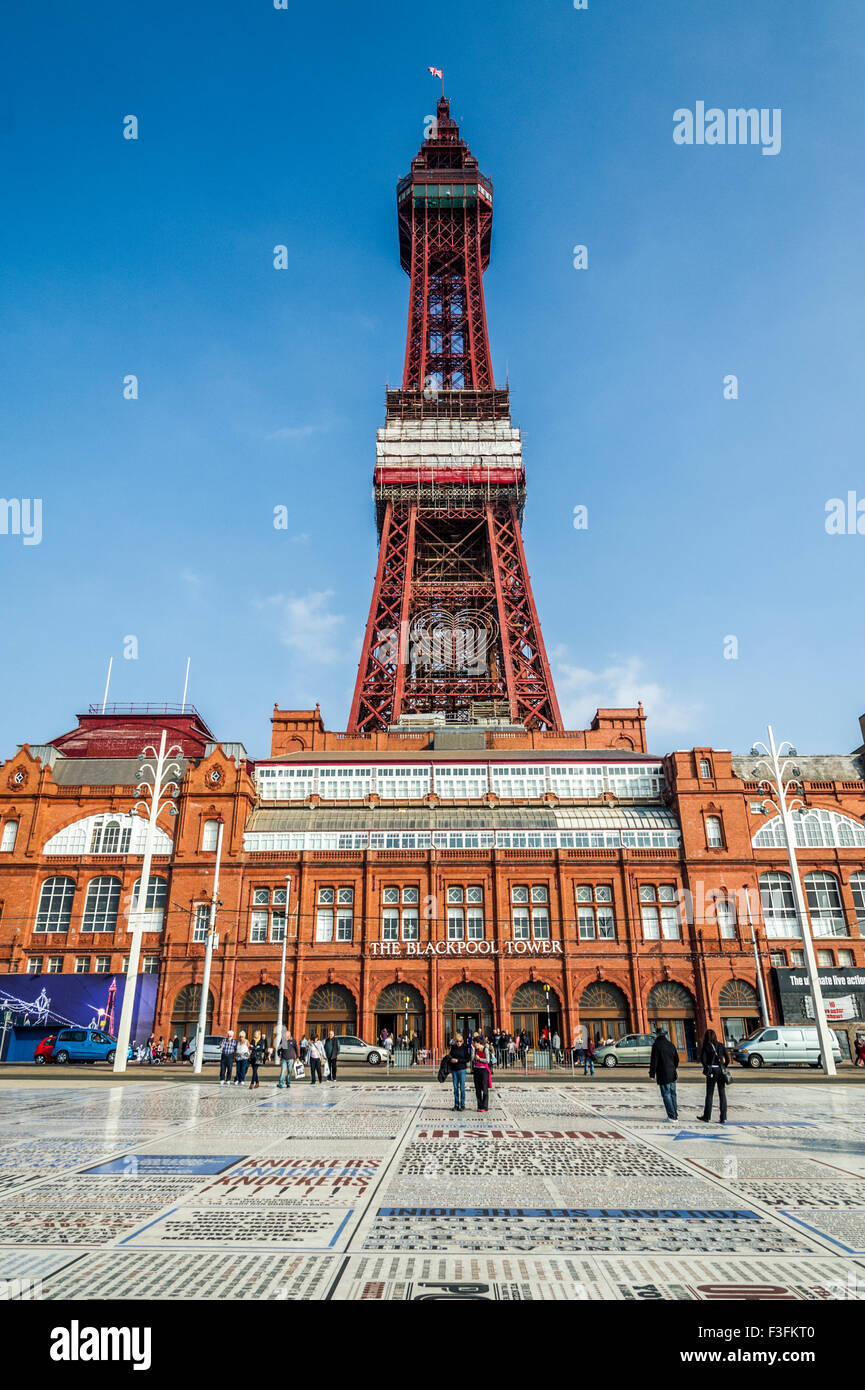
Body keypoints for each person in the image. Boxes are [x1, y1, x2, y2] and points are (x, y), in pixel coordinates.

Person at [699, 1028, 731, 1124]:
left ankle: (707, 1116)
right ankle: (723, 1117)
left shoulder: (706, 1046)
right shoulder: (721, 1045)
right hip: (721, 1070)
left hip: (712, 1071)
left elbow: (703, 1060)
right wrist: (723, 1066)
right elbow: (728, 1059)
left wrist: (707, 1067)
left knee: (709, 1094)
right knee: (722, 1093)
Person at [648, 1025, 680, 1120]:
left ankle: (672, 1116)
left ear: (657, 1035)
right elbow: (676, 1059)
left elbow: (654, 1060)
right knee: (673, 1094)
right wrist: (673, 1067)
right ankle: (675, 1114)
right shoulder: (671, 1044)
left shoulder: (656, 1045)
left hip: (663, 1073)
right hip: (672, 1073)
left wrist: (652, 1073)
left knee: (666, 1094)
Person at [471, 1032, 493, 1112]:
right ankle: (479, 1106)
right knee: (477, 1089)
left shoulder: (485, 1049)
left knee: (484, 1088)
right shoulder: (475, 1049)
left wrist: (479, 1058)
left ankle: (485, 1106)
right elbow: (472, 1059)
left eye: (474, 1043)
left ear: (478, 1043)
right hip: (476, 1070)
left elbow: (487, 1060)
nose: (473, 1044)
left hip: (484, 1071)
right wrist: (473, 1051)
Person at [449, 1032, 470, 1111]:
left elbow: (467, 1059)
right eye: (457, 1041)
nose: (459, 1043)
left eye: (460, 1041)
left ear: (463, 1041)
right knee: (455, 1088)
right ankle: (456, 1104)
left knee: (462, 1088)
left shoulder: (465, 1048)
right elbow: (450, 1056)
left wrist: (458, 1060)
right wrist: (451, 1059)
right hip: (454, 1070)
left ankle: (463, 1104)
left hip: (462, 1069)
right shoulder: (453, 1047)